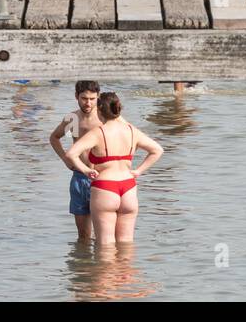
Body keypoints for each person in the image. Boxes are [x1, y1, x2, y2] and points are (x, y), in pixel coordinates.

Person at [63, 92, 164, 246]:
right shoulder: (131, 130)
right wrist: (138, 171)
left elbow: (71, 154)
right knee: (126, 244)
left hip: (105, 187)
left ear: (99, 110)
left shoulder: (98, 133)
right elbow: (157, 150)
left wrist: (85, 170)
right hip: (128, 187)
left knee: (105, 245)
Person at [49, 79, 101, 239]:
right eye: (84, 98)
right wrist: (66, 160)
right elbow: (54, 138)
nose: (88, 103)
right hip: (79, 177)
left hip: (101, 178)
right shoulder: (73, 118)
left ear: (98, 97)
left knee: (103, 236)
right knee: (83, 236)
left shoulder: (104, 117)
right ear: (76, 97)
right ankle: (83, 263)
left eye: (92, 99)